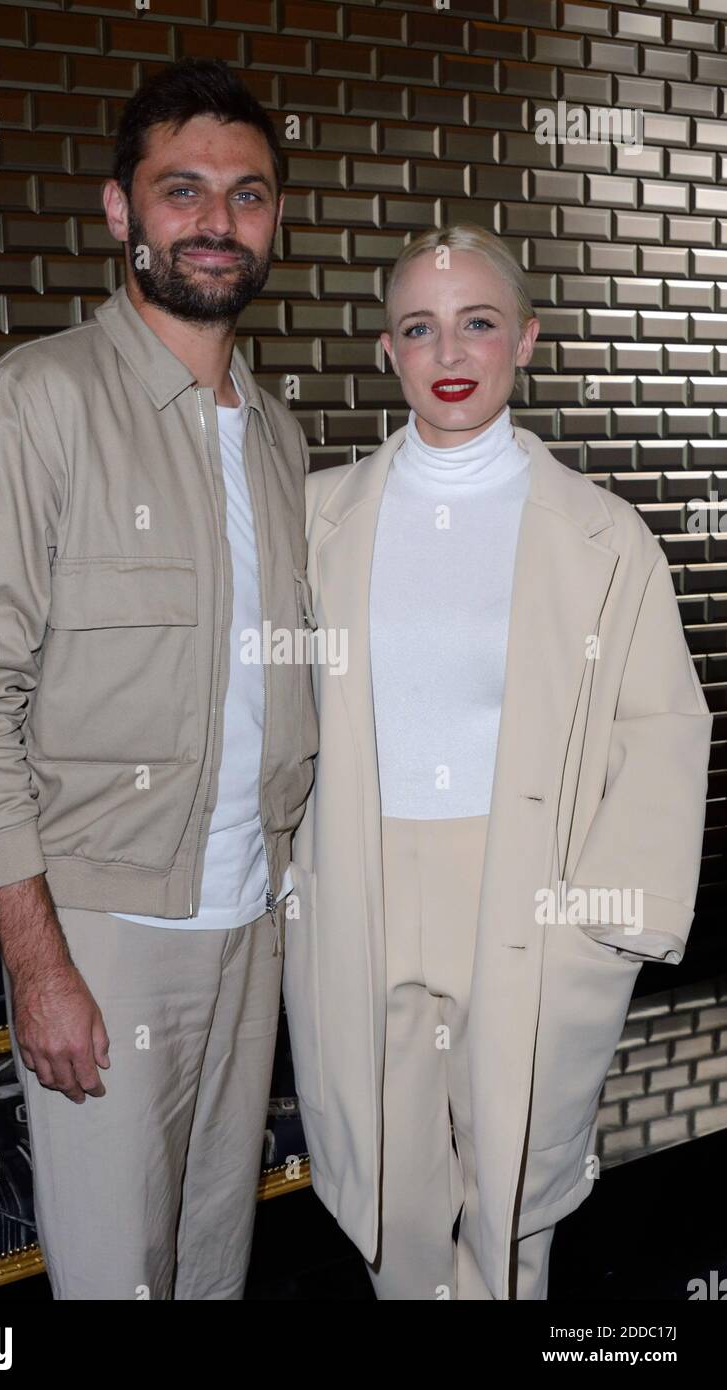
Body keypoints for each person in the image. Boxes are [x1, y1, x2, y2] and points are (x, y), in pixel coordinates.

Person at [0, 58, 318, 1300]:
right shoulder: (32, 406)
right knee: (114, 1283)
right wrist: (39, 964)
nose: (214, 220)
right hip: (106, 937)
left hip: (251, 917)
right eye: (180, 190)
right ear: (119, 214)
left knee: (210, 1267)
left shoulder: (276, 432)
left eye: (245, 195)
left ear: (274, 221)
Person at [282, 223, 713, 1300]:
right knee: (391, 1199)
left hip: (526, 893)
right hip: (361, 888)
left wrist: (598, 925)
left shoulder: (603, 535)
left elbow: (660, 724)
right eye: (419, 329)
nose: (449, 350)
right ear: (386, 351)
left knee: (513, 1204)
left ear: (523, 340)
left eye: (476, 322)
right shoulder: (313, 519)